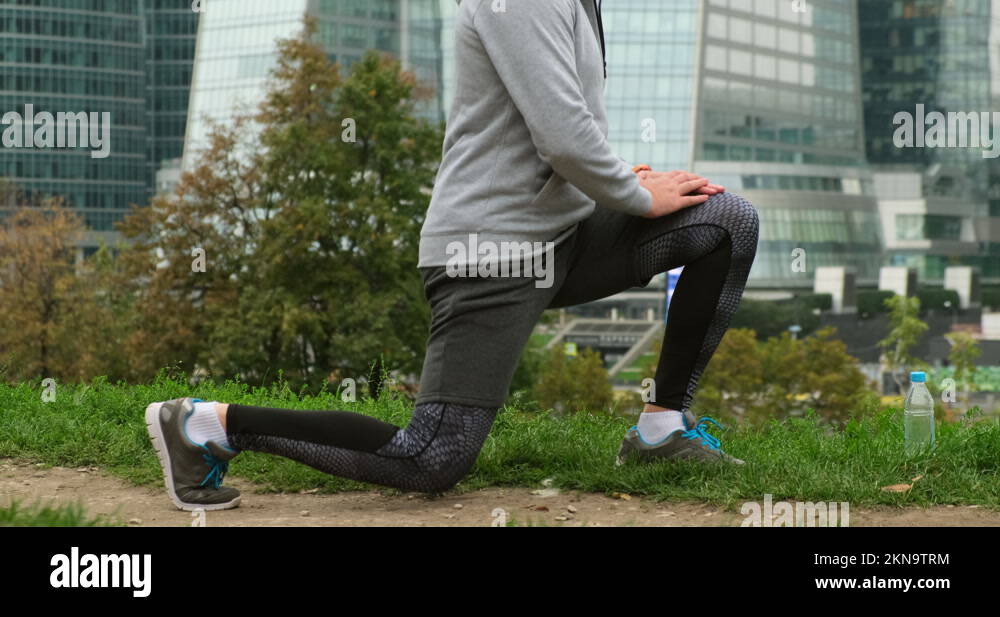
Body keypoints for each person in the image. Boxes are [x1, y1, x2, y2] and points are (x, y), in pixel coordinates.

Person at [145, 0, 759, 512]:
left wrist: (619, 177)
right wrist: (632, 195)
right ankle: (208, 427)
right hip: (490, 250)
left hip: (565, 231)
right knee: (431, 458)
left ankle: (660, 430)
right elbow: (562, 136)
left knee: (725, 223)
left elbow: (560, 126)